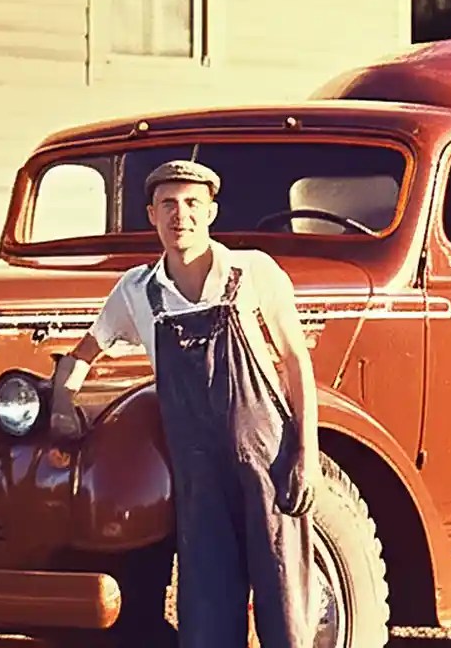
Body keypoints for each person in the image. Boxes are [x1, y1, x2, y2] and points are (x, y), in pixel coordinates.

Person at [50, 159, 320, 648]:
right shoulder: (137, 291)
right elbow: (82, 355)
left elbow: (296, 361)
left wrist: (309, 455)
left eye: (193, 203)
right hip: (198, 477)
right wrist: (62, 402)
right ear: (151, 214)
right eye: (169, 204)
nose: (182, 215)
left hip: (269, 463)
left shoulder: (252, 271)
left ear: (212, 211)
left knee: (285, 605)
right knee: (207, 606)